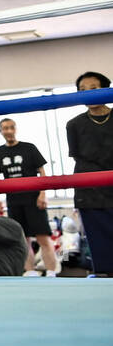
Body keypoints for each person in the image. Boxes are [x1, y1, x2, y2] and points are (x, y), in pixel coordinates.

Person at [0, 118, 58, 275]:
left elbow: (42, 172)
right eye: (5, 128)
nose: (9, 131)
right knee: (22, 239)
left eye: (11, 127)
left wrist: (43, 194)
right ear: (1, 131)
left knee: (43, 238)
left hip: (34, 199)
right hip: (14, 201)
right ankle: (30, 272)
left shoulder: (29, 148)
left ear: (16, 129)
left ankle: (52, 273)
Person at [66, 71, 113, 276]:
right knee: (100, 242)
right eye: (82, 91)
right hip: (90, 190)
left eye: (93, 89)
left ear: (106, 89)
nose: (88, 94)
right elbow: (78, 158)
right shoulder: (74, 124)